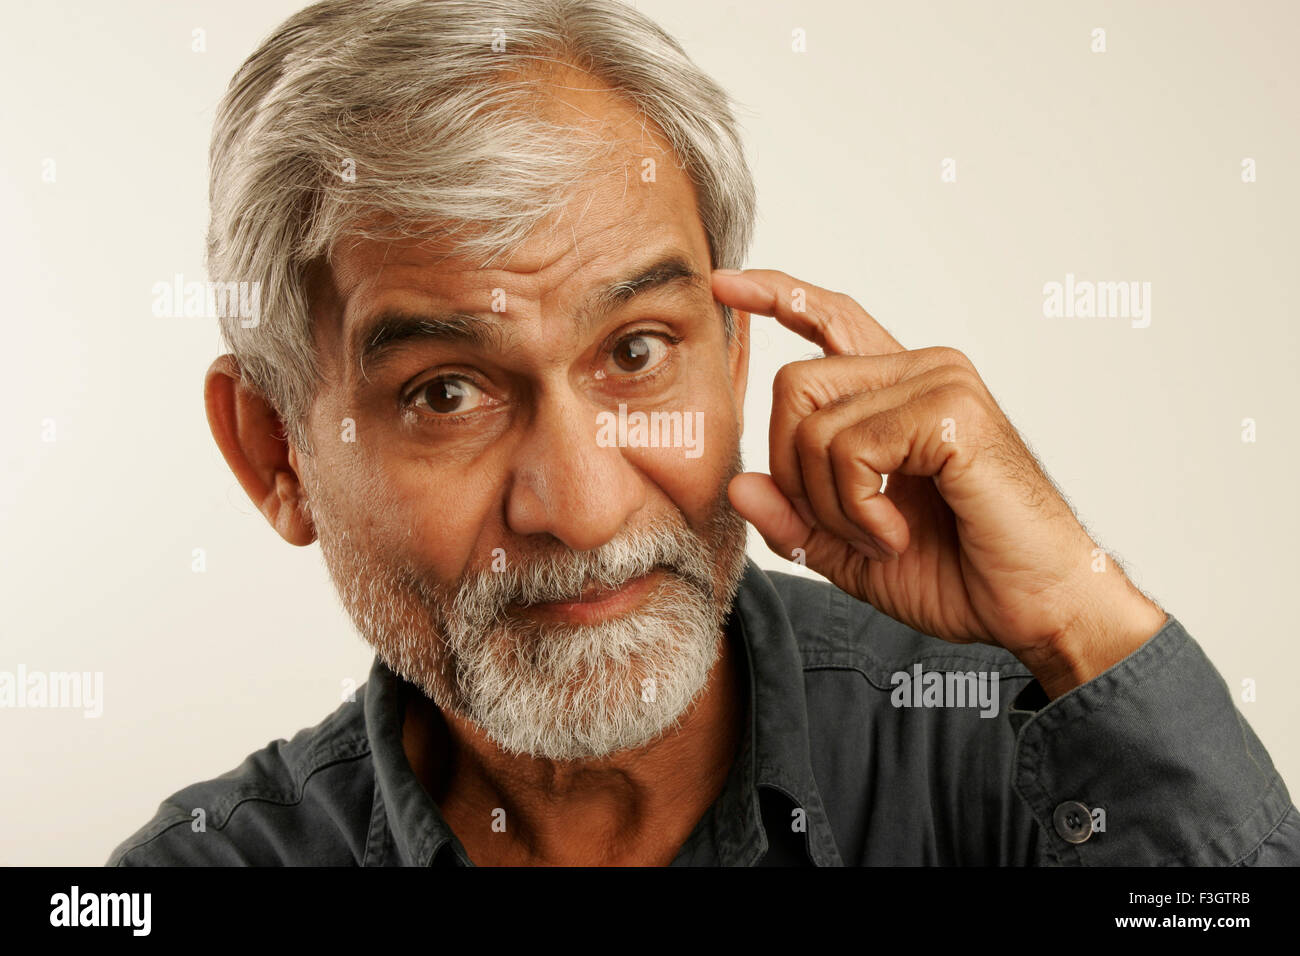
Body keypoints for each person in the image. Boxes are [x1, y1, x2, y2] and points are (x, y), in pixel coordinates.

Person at [108, 0, 1298, 866]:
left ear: (735, 357)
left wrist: (1079, 620)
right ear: (275, 453)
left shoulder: (1012, 761)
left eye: (634, 350)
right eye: (444, 393)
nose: (580, 505)